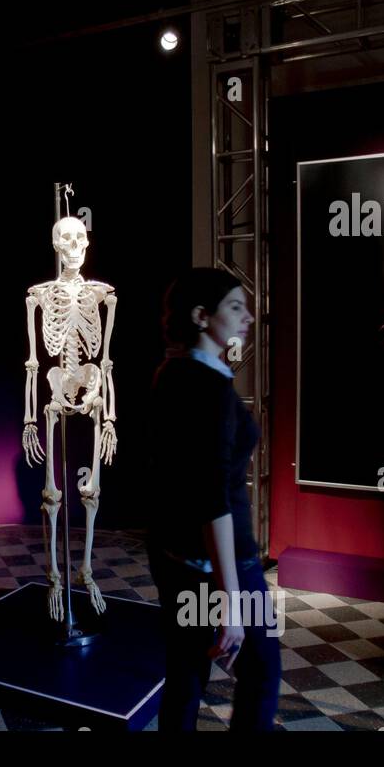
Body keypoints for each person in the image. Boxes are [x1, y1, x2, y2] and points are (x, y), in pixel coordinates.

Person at [147, 267, 281, 731]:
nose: (247, 317)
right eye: (235, 307)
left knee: (186, 676)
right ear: (202, 316)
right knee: (262, 673)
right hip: (226, 563)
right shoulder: (209, 389)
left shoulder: (173, 373)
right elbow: (211, 499)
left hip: (179, 559)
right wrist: (231, 600)